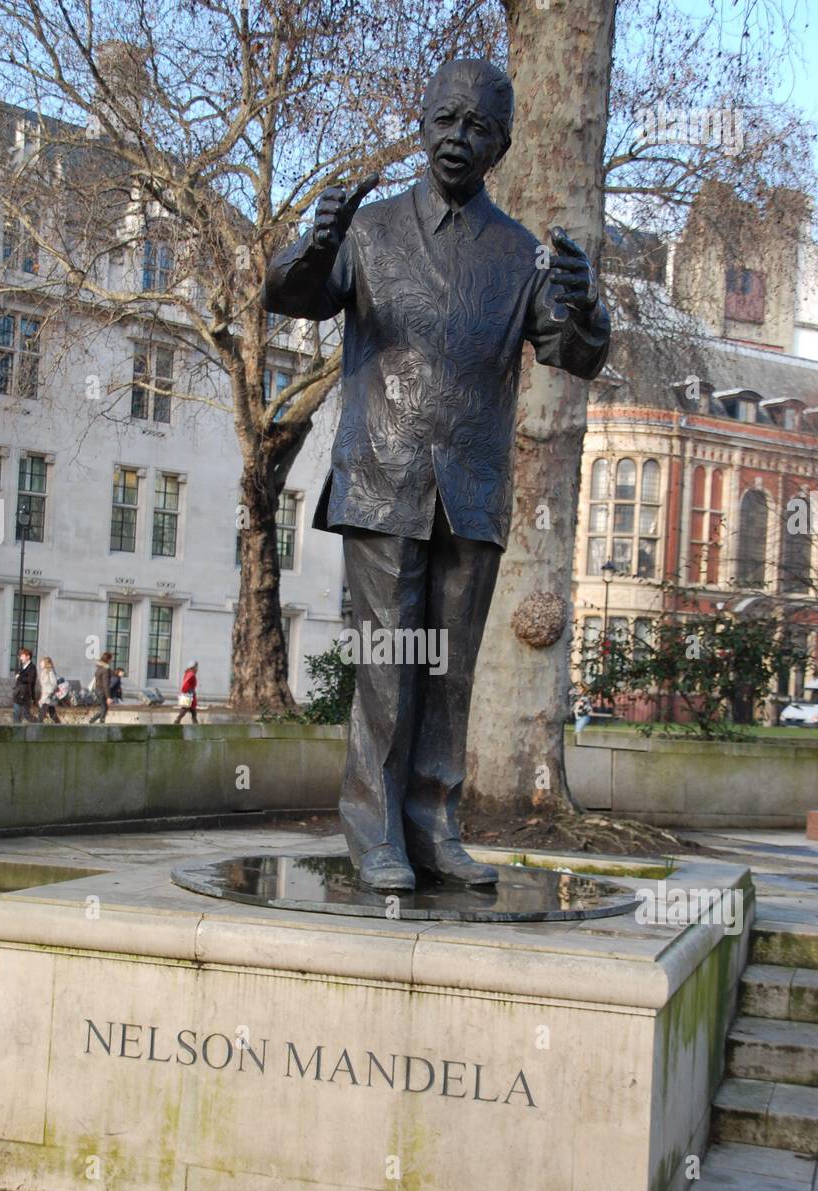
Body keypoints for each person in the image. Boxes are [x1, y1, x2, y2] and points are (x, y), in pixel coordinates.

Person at [262, 58, 609, 890]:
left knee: (449, 670)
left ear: (504, 144)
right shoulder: (369, 232)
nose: (459, 138)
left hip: (474, 492)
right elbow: (292, 294)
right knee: (388, 663)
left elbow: (573, 351)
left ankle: (433, 822)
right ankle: (375, 829)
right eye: (446, 119)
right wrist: (312, 243)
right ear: (421, 124)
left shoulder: (521, 254)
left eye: (479, 127)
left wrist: (590, 306)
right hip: (384, 481)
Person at [12, 648, 37, 723]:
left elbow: (31, 680)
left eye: (22, 655)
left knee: (26, 714)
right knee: (16, 715)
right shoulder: (21, 667)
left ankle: (39, 725)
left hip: (25, 695)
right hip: (18, 694)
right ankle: (17, 732)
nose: (20, 657)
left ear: (28, 656)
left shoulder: (32, 667)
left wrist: (33, 697)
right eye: (19, 656)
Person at [88, 652, 113, 724]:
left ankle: (93, 721)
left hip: (97, 690)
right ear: (108, 659)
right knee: (104, 708)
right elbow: (106, 684)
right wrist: (108, 697)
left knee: (104, 708)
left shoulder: (100, 668)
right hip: (102, 691)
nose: (112, 660)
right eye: (111, 659)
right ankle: (100, 723)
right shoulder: (105, 669)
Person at [37, 656, 61, 724]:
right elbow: (43, 686)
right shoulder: (43, 672)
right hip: (44, 696)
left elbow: (54, 683)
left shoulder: (50, 671)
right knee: (52, 713)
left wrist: (49, 692)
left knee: (41, 714)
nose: (40, 664)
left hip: (49, 696)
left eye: (41, 663)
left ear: (45, 663)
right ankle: (59, 725)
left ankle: (38, 727)